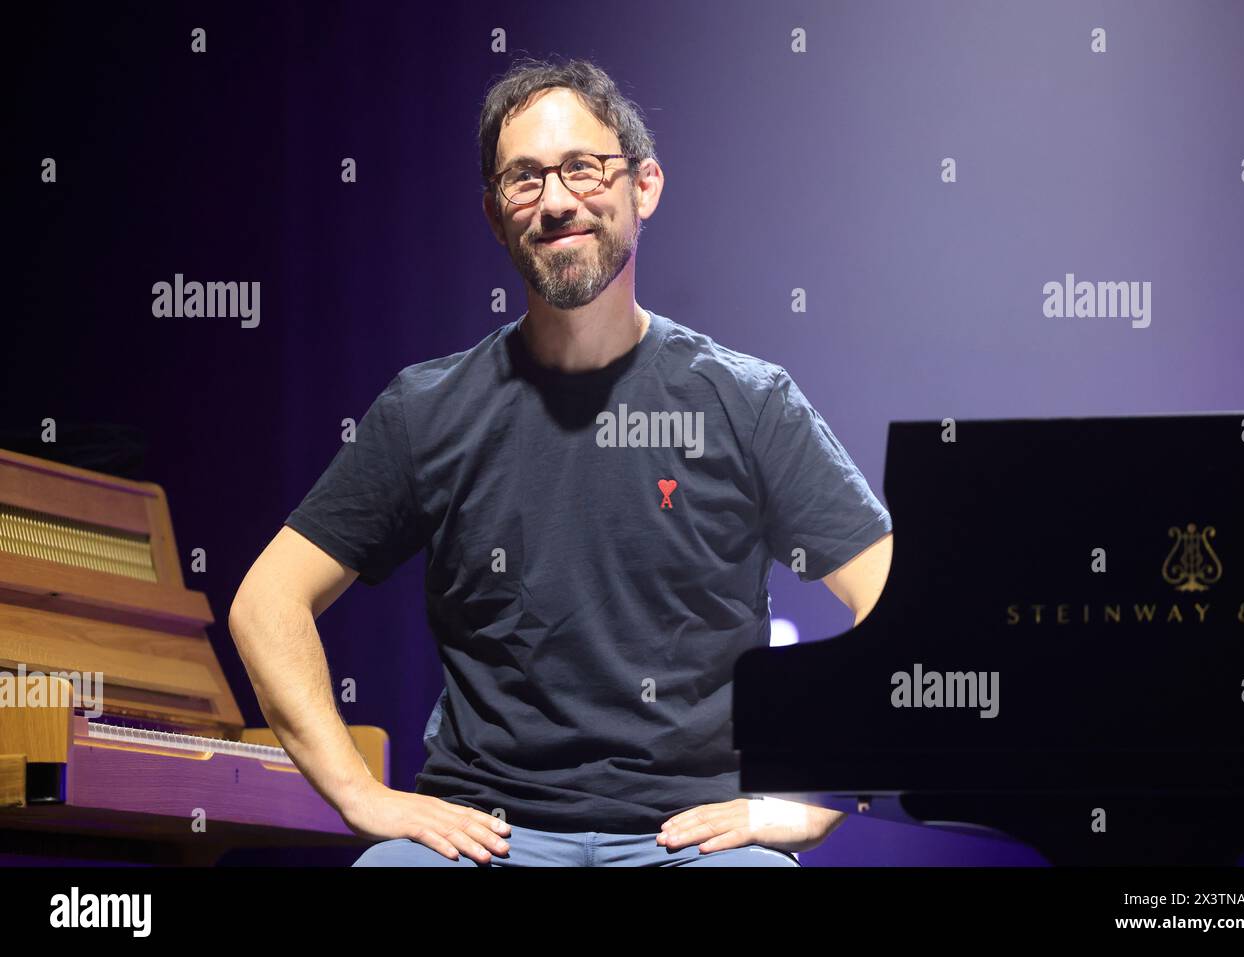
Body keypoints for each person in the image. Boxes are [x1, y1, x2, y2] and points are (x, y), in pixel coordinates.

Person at [228, 55, 893, 868]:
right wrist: (360, 793)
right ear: (494, 213)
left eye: (583, 168)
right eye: (524, 179)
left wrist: (818, 798)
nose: (556, 201)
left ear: (643, 186)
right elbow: (266, 604)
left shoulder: (749, 402)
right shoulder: (426, 408)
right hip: (483, 836)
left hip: (693, 839)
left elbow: (895, 602)